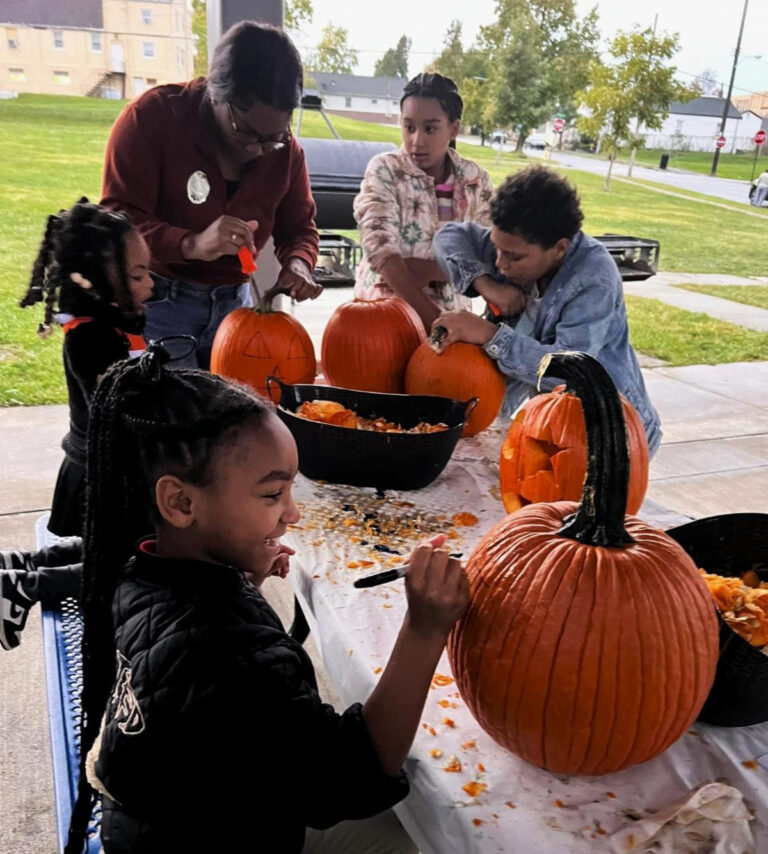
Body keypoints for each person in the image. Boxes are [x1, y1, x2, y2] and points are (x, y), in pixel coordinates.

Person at [64, 344, 469, 854]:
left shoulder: (139, 569)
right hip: (212, 834)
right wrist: (425, 628)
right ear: (181, 502)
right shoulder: (234, 657)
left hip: (164, 819)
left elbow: (206, 684)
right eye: (271, 495)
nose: (292, 514)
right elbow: (357, 775)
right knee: (429, 837)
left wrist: (244, 587)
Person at [100, 21, 322, 370]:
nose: (260, 150)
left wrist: (299, 263)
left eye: (274, 137)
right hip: (157, 300)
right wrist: (190, 243)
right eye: (246, 132)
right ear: (216, 94)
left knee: (233, 417)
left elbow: (299, 229)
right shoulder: (152, 119)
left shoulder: (286, 152)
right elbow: (117, 220)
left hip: (235, 305)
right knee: (170, 417)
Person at [1, 199, 154, 650]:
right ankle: (27, 587)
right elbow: (124, 410)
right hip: (103, 476)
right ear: (96, 282)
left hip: (109, 470)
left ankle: (24, 563)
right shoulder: (91, 339)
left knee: (110, 548)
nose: (149, 283)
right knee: (126, 563)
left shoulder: (111, 326)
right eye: (136, 275)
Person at [432, 165, 662, 454]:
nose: (501, 263)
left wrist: (491, 335)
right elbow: (449, 236)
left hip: (611, 433)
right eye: (496, 247)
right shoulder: (513, 243)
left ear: (560, 249)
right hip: (556, 422)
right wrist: (486, 285)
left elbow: (568, 372)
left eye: (514, 257)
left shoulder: (594, 279)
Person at [353, 72, 494, 331]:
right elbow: (379, 248)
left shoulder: (476, 180)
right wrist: (431, 316)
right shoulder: (385, 170)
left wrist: (431, 269)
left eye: (430, 128)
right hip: (384, 318)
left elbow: (487, 253)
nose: (417, 141)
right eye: (409, 127)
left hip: (453, 320)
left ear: (453, 129)